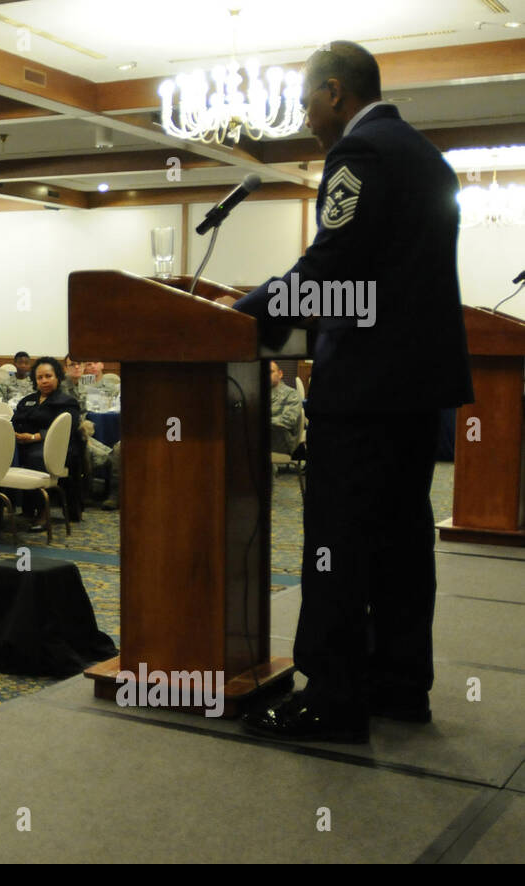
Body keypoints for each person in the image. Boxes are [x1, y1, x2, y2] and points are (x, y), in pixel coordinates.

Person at [232, 41, 474, 743]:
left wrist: (236, 317)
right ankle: (400, 683)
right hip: (415, 391)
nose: (304, 115)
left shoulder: (359, 154)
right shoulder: (429, 159)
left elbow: (330, 267)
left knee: (337, 542)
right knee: (402, 539)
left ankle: (333, 698)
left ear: (335, 92)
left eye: (306, 100)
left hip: (365, 388)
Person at [11, 356, 82, 530]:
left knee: (37, 457)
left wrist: (35, 437)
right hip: (24, 443)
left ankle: (44, 511)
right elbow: (15, 420)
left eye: (48, 376)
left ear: (57, 377)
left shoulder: (67, 402)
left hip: (58, 447)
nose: (44, 381)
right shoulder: (28, 400)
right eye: (40, 377)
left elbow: (65, 429)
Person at [269, 361, 304, 456]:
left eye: (270, 372)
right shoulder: (257, 393)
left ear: (280, 374)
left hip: (282, 441)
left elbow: (288, 421)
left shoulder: (291, 394)